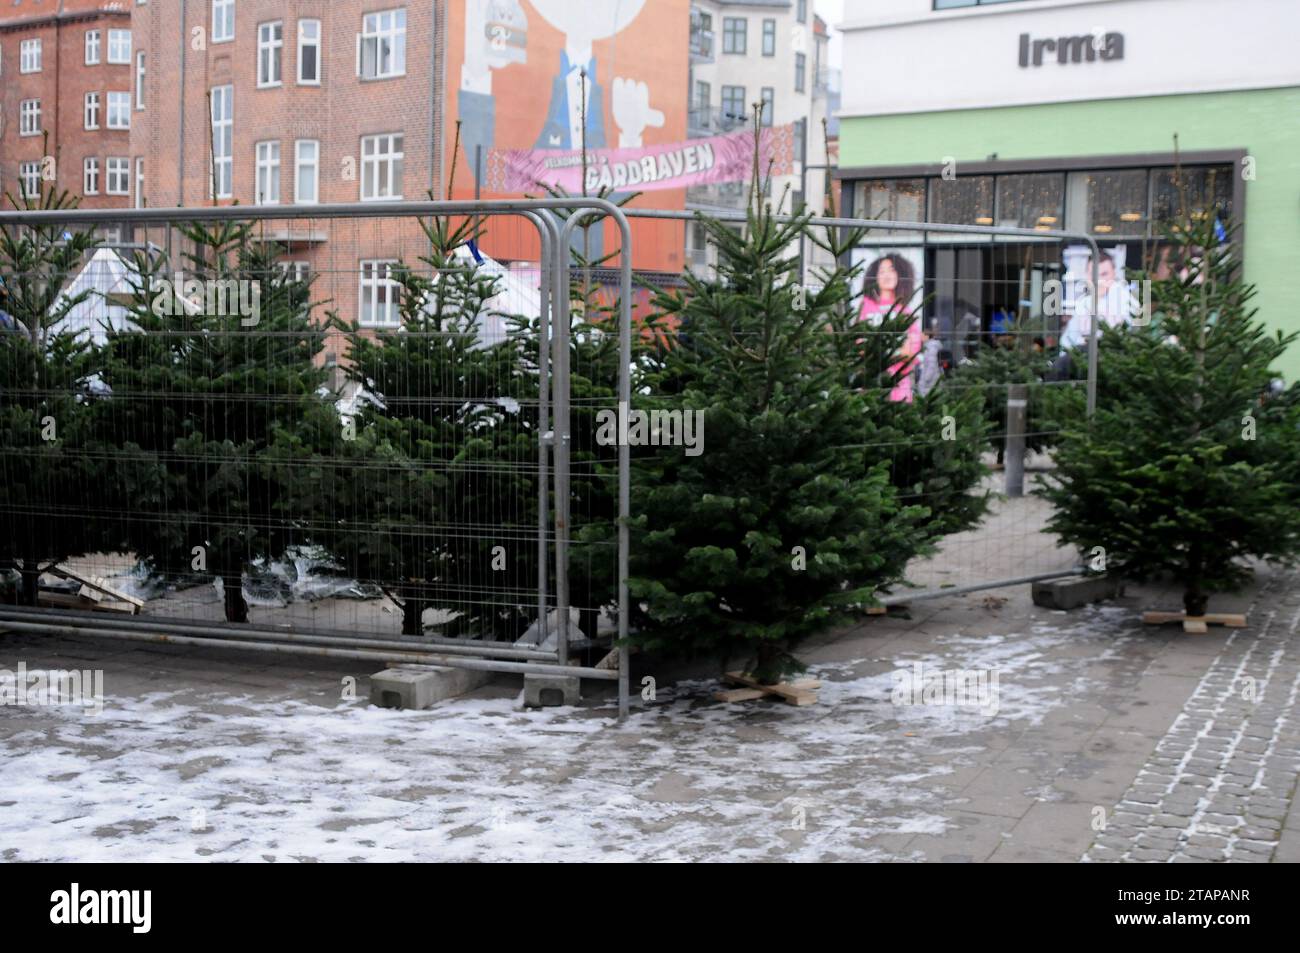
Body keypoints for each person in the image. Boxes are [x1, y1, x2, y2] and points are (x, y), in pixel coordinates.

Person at [858, 253, 921, 402]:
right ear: (874, 277)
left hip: (900, 388)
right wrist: (895, 351)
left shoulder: (906, 313)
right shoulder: (865, 308)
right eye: (882, 271)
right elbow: (861, 348)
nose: (887, 275)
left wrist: (879, 351)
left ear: (900, 274)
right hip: (871, 386)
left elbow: (911, 352)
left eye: (892, 270)